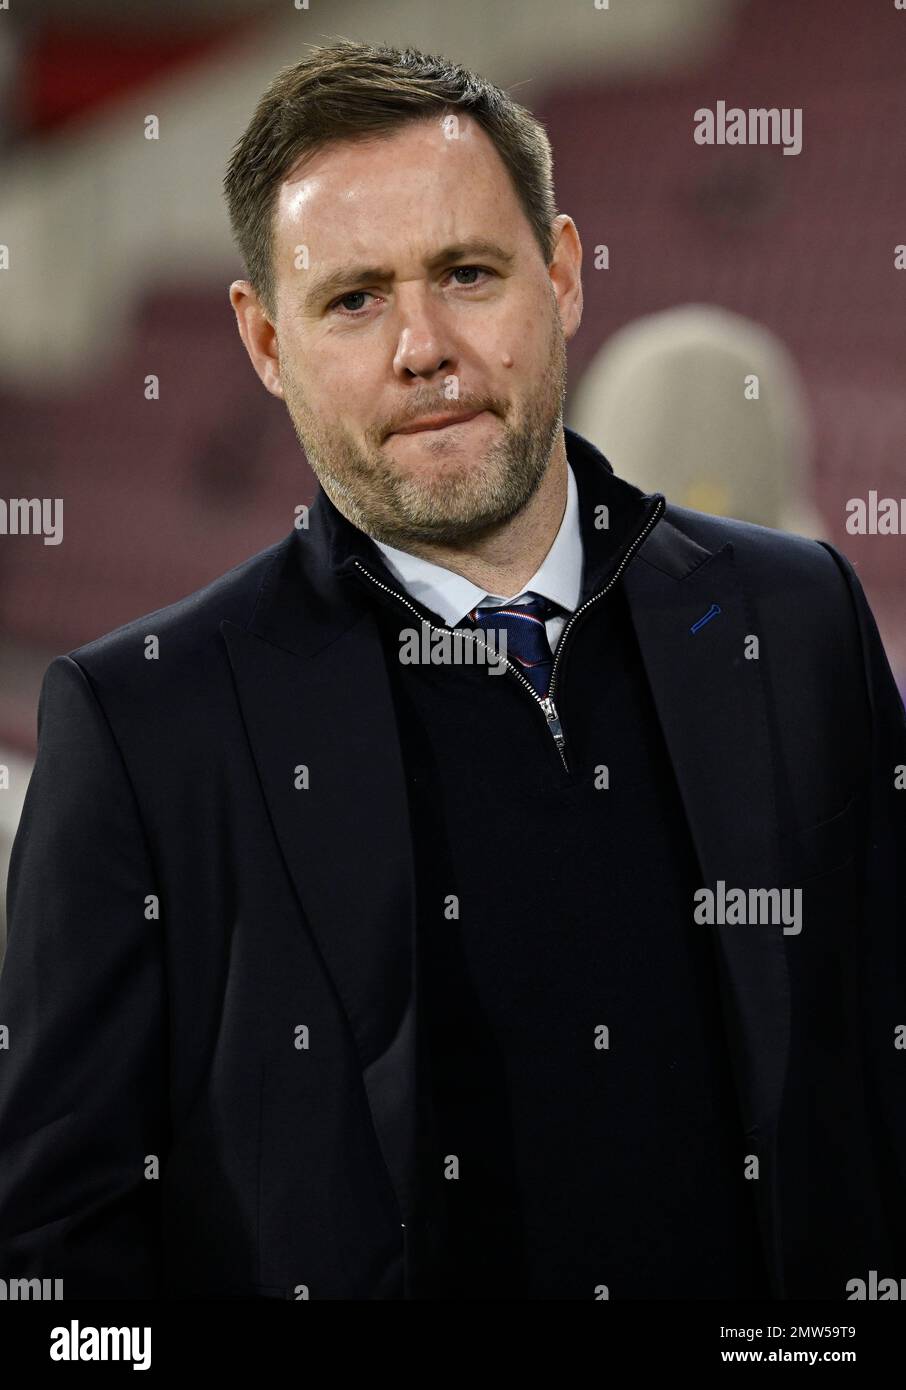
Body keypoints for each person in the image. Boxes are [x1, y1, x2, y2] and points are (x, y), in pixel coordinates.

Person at [0, 39, 903, 1301]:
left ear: (565, 275)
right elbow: (56, 1277)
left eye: (468, 272)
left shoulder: (797, 621)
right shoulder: (144, 725)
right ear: (264, 341)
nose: (424, 348)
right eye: (355, 298)